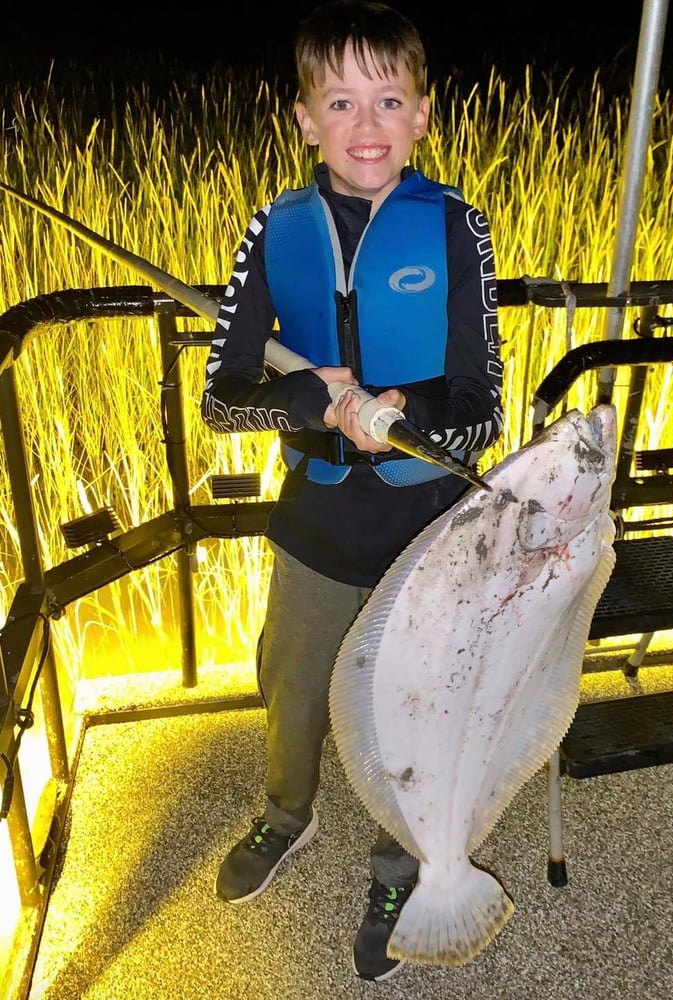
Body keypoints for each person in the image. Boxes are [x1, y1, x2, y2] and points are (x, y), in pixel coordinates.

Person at [200, 0, 503, 981]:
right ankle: (285, 814)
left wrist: (397, 408)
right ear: (303, 119)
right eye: (339, 100)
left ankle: (395, 864)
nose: (363, 123)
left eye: (386, 98)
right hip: (316, 523)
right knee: (290, 690)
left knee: (411, 716)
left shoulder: (457, 226)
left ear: (420, 114)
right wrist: (300, 400)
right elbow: (221, 399)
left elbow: (480, 404)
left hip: (430, 530)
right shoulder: (272, 228)